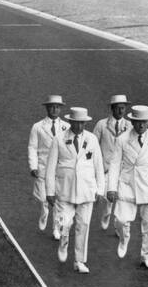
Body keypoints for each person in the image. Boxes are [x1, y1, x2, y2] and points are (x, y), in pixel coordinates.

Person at [105, 104, 148, 269]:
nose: (141, 125)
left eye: (144, 122)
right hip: (127, 185)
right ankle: (124, 238)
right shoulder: (122, 139)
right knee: (121, 219)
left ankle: (146, 256)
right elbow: (114, 165)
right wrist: (111, 188)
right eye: (138, 122)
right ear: (132, 121)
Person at [44, 107, 106, 273]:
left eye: (82, 123)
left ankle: (79, 261)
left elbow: (98, 166)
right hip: (65, 190)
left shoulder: (92, 139)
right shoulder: (59, 139)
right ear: (70, 121)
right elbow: (50, 168)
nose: (79, 126)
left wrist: (100, 189)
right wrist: (49, 192)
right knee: (65, 223)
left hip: (87, 190)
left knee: (83, 226)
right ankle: (63, 244)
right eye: (76, 123)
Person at [28, 95, 67, 236]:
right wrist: (33, 166)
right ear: (47, 108)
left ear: (60, 109)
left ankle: (56, 227)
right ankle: (44, 213)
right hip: (43, 167)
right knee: (44, 197)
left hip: (59, 169)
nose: (54, 109)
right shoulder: (38, 127)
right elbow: (32, 147)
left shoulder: (66, 127)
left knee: (57, 199)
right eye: (52, 107)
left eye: (57, 107)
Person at [92, 94, 130, 231]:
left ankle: (118, 224)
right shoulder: (101, 125)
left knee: (123, 199)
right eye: (118, 108)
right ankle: (107, 214)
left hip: (123, 169)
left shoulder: (130, 126)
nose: (121, 111)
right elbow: (93, 145)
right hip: (106, 168)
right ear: (112, 109)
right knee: (108, 198)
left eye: (123, 108)